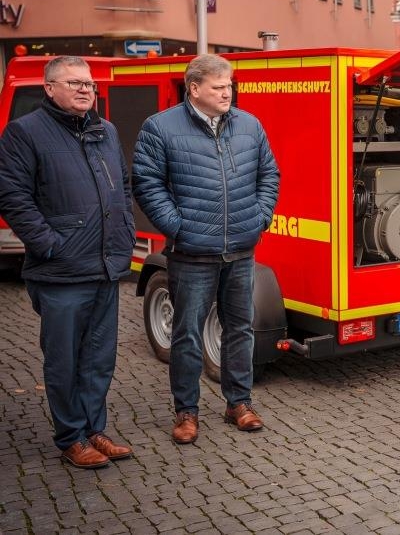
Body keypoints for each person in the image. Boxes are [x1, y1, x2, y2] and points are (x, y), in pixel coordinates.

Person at [132, 54, 280, 445]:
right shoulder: (160, 128)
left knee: (240, 328)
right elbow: (146, 184)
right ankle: (186, 412)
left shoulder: (250, 125)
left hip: (240, 250)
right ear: (194, 89)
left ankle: (239, 403)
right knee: (187, 334)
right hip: (191, 253)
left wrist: (259, 217)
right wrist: (178, 227)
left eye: (229, 86)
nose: (227, 93)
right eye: (218, 87)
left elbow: (269, 174)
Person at [0, 56, 136, 469]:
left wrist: (126, 232)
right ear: (49, 88)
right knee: (64, 359)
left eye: (89, 84)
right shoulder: (24, 133)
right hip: (60, 271)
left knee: (99, 358)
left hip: (105, 267)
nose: (84, 90)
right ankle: (70, 436)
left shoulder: (105, 130)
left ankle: (95, 428)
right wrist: (49, 245)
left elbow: (123, 187)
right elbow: (13, 197)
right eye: (74, 83)